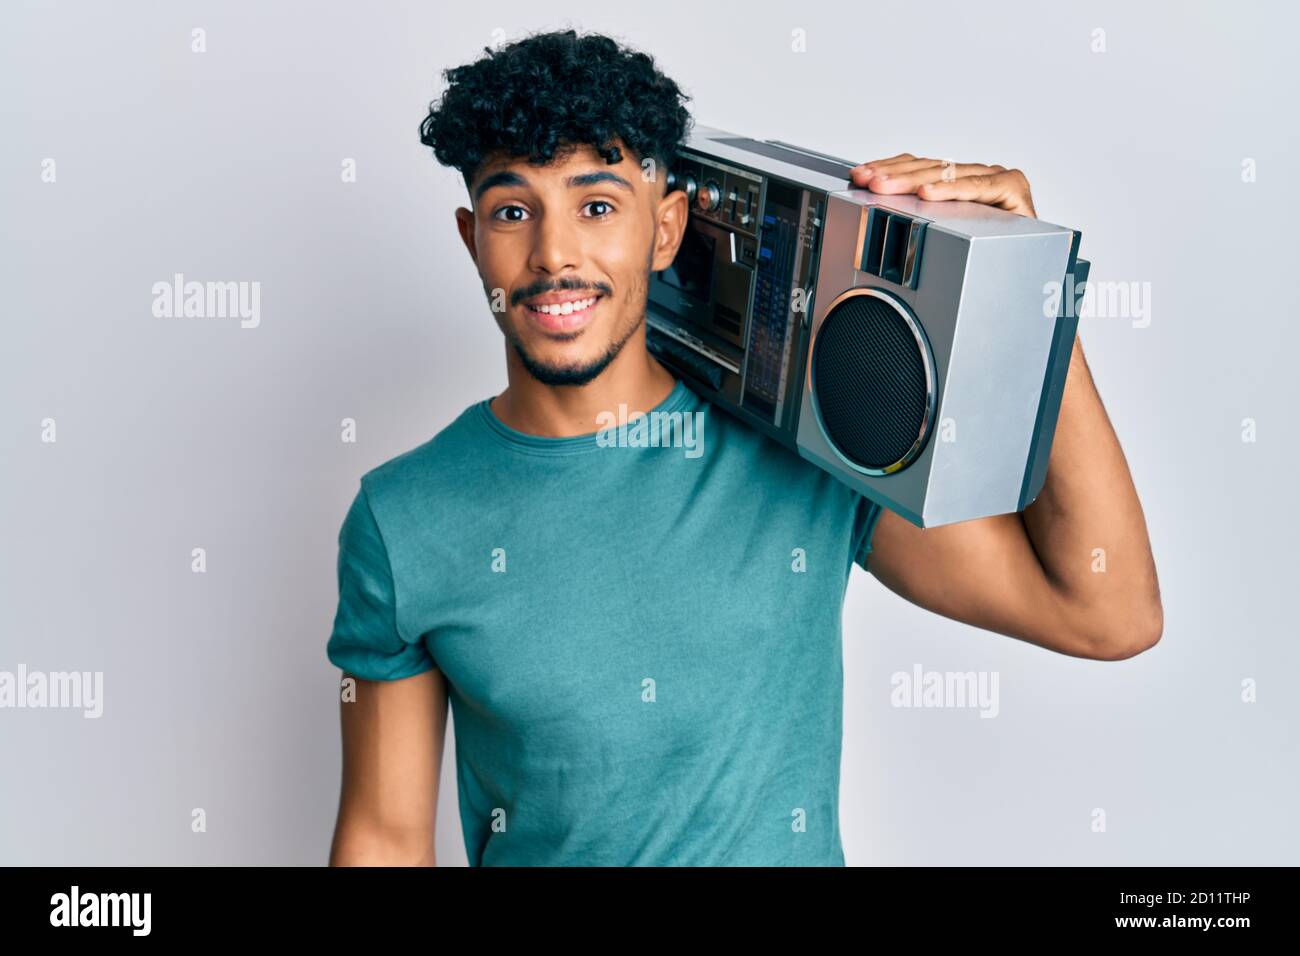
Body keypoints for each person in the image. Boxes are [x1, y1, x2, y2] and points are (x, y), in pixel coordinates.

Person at [326, 28, 1162, 867]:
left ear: (666, 228)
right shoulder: (404, 518)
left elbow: (1107, 614)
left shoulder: (804, 453)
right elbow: (386, 836)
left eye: (597, 205)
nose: (554, 255)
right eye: (515, 211)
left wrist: (1039, 304)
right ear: (473, 239)